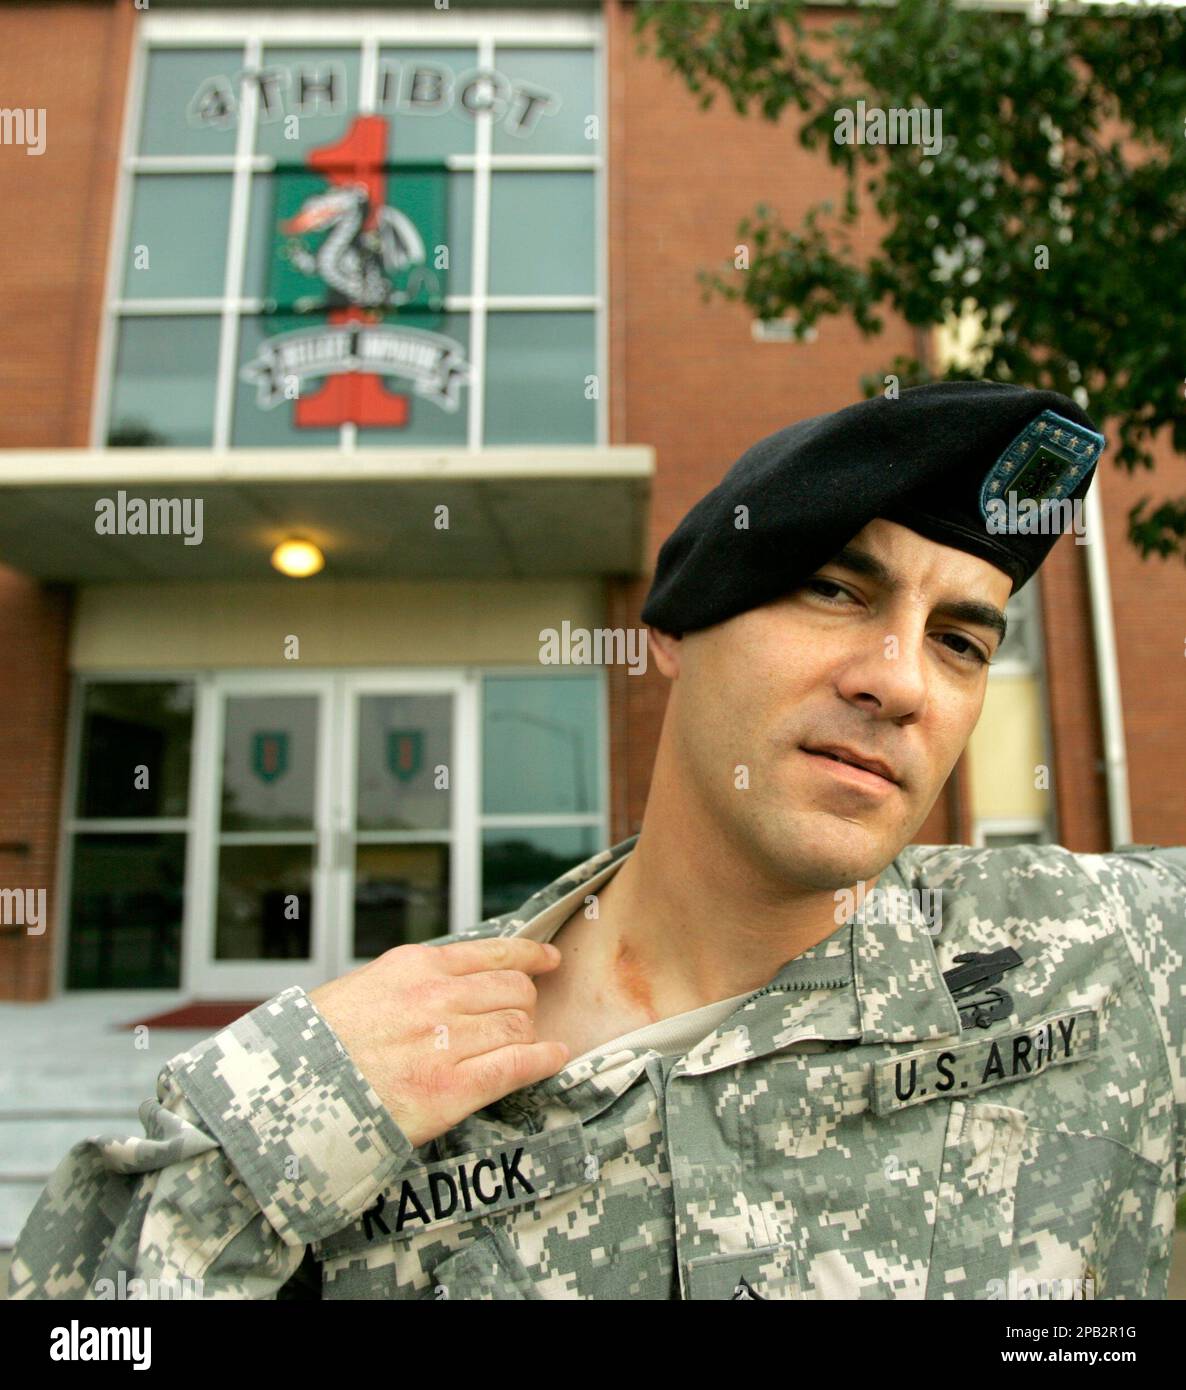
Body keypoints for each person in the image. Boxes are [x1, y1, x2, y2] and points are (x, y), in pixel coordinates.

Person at [9, 380, 1185, 1301]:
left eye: (961, 643)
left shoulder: (1104, 958)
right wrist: (279, 1126)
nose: (899, 682)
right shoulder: (389, 1091)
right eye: (835, 589)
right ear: (677, 628)